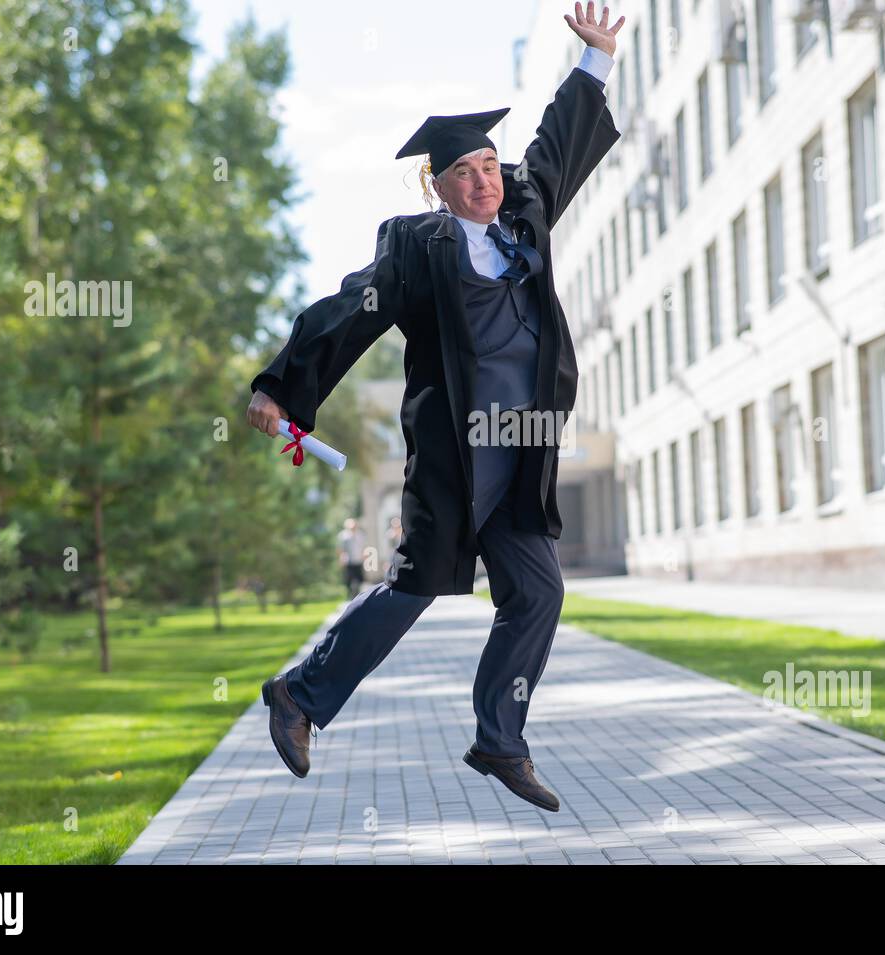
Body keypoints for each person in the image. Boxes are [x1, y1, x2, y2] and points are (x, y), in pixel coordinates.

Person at [250, 3, 624, 813]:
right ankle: (300, 696)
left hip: (522, 446)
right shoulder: (417, 247)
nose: (485, 180)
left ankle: (500, 738)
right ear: (437, 183)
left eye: (491, 165)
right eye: (466, 172)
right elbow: (352, 309)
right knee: (414, 585)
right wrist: (281, 387)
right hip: (456, 451)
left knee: (538, 590)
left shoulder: (525, 214)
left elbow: (557, 146)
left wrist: (593, 61)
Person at [336, 518, 366, 599]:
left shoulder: (360, 535)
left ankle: (358, 595)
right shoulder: (343, 536)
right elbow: (340, 548)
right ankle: (349, 596)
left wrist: (364, 556)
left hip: (358, 560)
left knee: (359, 579)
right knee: (349, 579)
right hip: (348, 561)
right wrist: (341, 558)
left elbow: (363, 547)